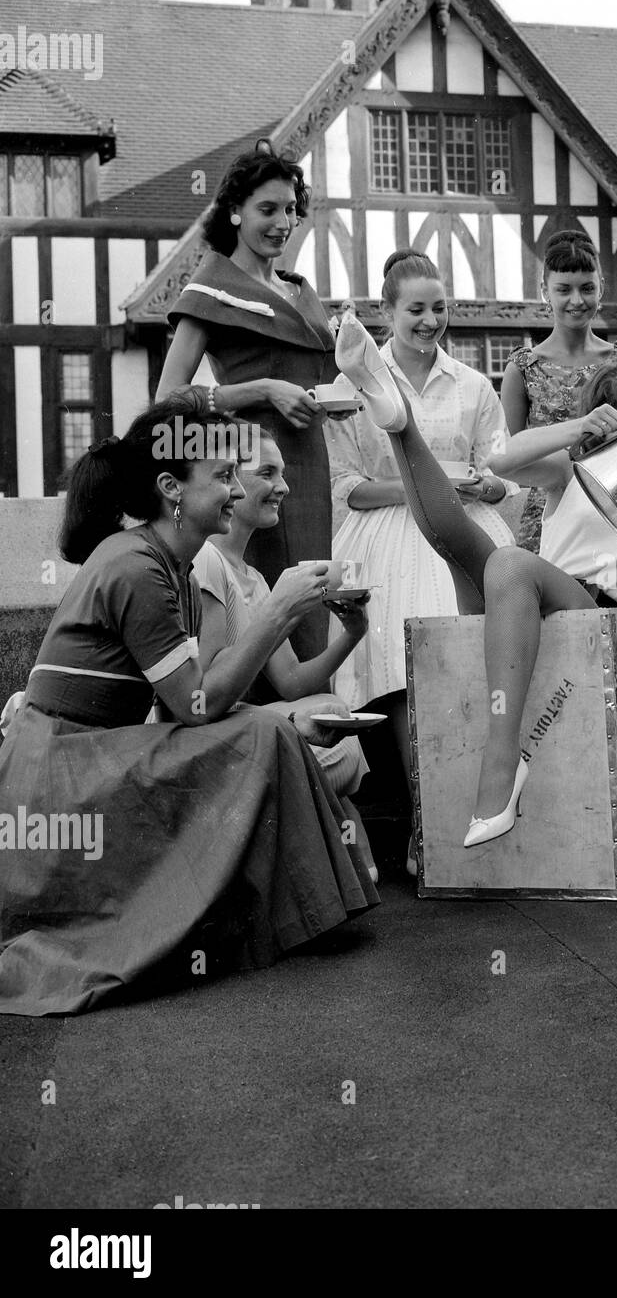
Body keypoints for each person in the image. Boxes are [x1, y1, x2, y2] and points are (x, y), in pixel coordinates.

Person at [0, 393, 378, 1016]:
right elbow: (198, 707)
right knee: (259, 733)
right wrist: (278, 611)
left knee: (263, 729)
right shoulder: (137, 565)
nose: (236, 490)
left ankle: (274, 918)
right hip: (58, 777)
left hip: (85, 762)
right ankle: (270, 920)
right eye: (224, 476)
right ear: (172, 488)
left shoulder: (165, 561)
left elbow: (191, 704)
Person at [326, 250, 516, 872]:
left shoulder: (473, 385)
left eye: (439, 308)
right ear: (386, 311)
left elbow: (501, 469)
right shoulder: (356, 384)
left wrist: (484, 486)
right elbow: (347, 487)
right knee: (408, 679)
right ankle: (424, 827)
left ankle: (483, 818)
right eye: (415, 309)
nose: (430, 320)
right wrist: (421, 489)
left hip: (464, 532)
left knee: (478, 670)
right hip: (386, 539)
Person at [474, 364, 617, 846]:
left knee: (510, 563)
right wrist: (578, 428)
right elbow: (499, 460)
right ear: (606, 417)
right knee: (509, 563)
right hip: (555, 607)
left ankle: (507, 766)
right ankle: (502, 757)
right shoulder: (568, 472)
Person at [160, 139, 338, 659]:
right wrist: (263, 390)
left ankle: (310, 727)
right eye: (267, 209)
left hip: (309, 466)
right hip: (246, 464)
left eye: (290, 209)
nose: (283, 222)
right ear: (235, 212)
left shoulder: (300, 291)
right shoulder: (212, 287)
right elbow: (168, 397)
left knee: (311, 607)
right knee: (258, 613)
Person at [193, 426, 379, 884]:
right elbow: (208, 683)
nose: (283, 487)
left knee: (330, 709)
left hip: (247, 719)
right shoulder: (204, 562)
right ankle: (346, 875)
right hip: (213, 730)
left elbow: (292, 682)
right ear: (230, 482)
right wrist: (278, 612)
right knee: (328, 714)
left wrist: (352, 633)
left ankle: (348, 873)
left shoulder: (254, 577)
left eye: (283, 473)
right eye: (268, 473)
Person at [500, 228, 617, 552]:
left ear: (601, 288)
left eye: (587, 288)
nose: (576, 301)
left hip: (615, 511)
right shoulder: (522, 369)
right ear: (545, 292)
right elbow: (507, 457)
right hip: (550, 514)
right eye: (564, 289)